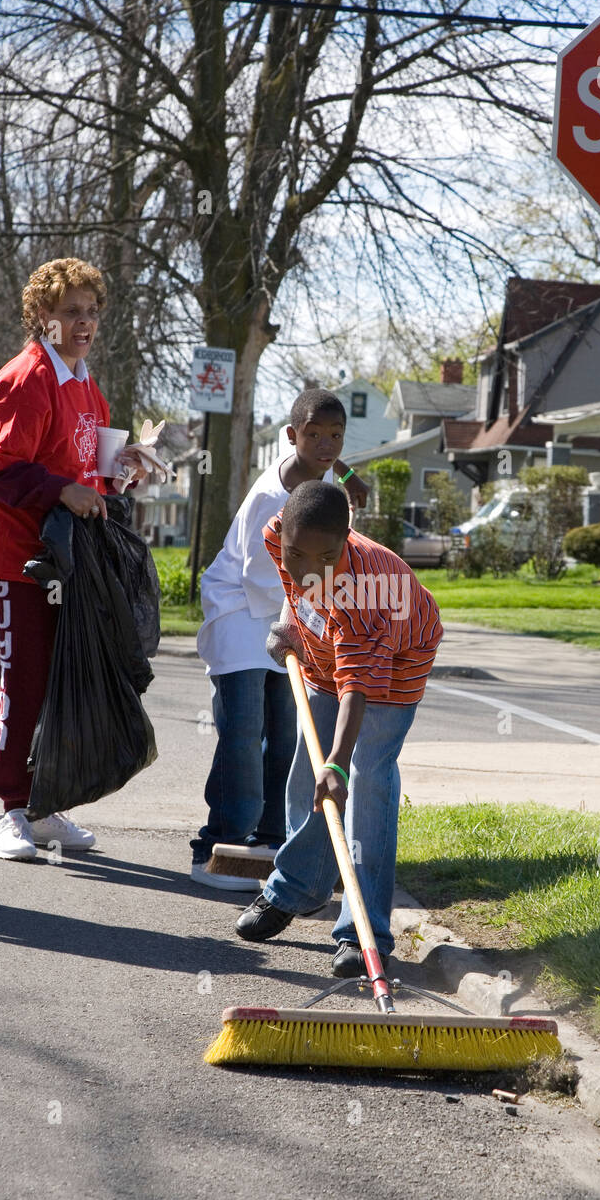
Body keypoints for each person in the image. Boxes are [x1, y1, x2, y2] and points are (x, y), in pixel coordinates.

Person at [0, 257, 140, 861]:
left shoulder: (86, 383)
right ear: (43, 317)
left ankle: (41, 805)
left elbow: (88, 475)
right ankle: (9, 809)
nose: (83, 323)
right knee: (21, 685)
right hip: (9, 558)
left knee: (58, 686)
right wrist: (63, 489)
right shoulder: (25, 379)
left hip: (58, 560)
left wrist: (124, 469)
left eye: (91, 312)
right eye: (70, 313)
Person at [234, 479, 443, 976]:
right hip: (325, 654)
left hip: (392, 668)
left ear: (346, 540)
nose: (307, 571)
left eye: (323, 558)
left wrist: (340, 765)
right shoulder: (277, 536)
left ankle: (362, 932)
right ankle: (296, 891)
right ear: (283, 531)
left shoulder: (368, 593)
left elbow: (359, 690)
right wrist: (289, 624)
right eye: (295, 555)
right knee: (307, 780)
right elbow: (297, 591)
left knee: (364, 784)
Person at [190, 389, 368, 885]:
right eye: (314, 435)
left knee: (286, 735)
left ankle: (270, 839)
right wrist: (318, 606)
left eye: (336, 436)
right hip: (241, 613)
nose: (327, 445)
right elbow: (257, 574)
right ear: (291, 438)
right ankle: (218, 842)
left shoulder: (325, 472)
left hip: (283, 615)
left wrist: (352, 478)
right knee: (244, 734)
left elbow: (334, 462)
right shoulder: (274, 496)